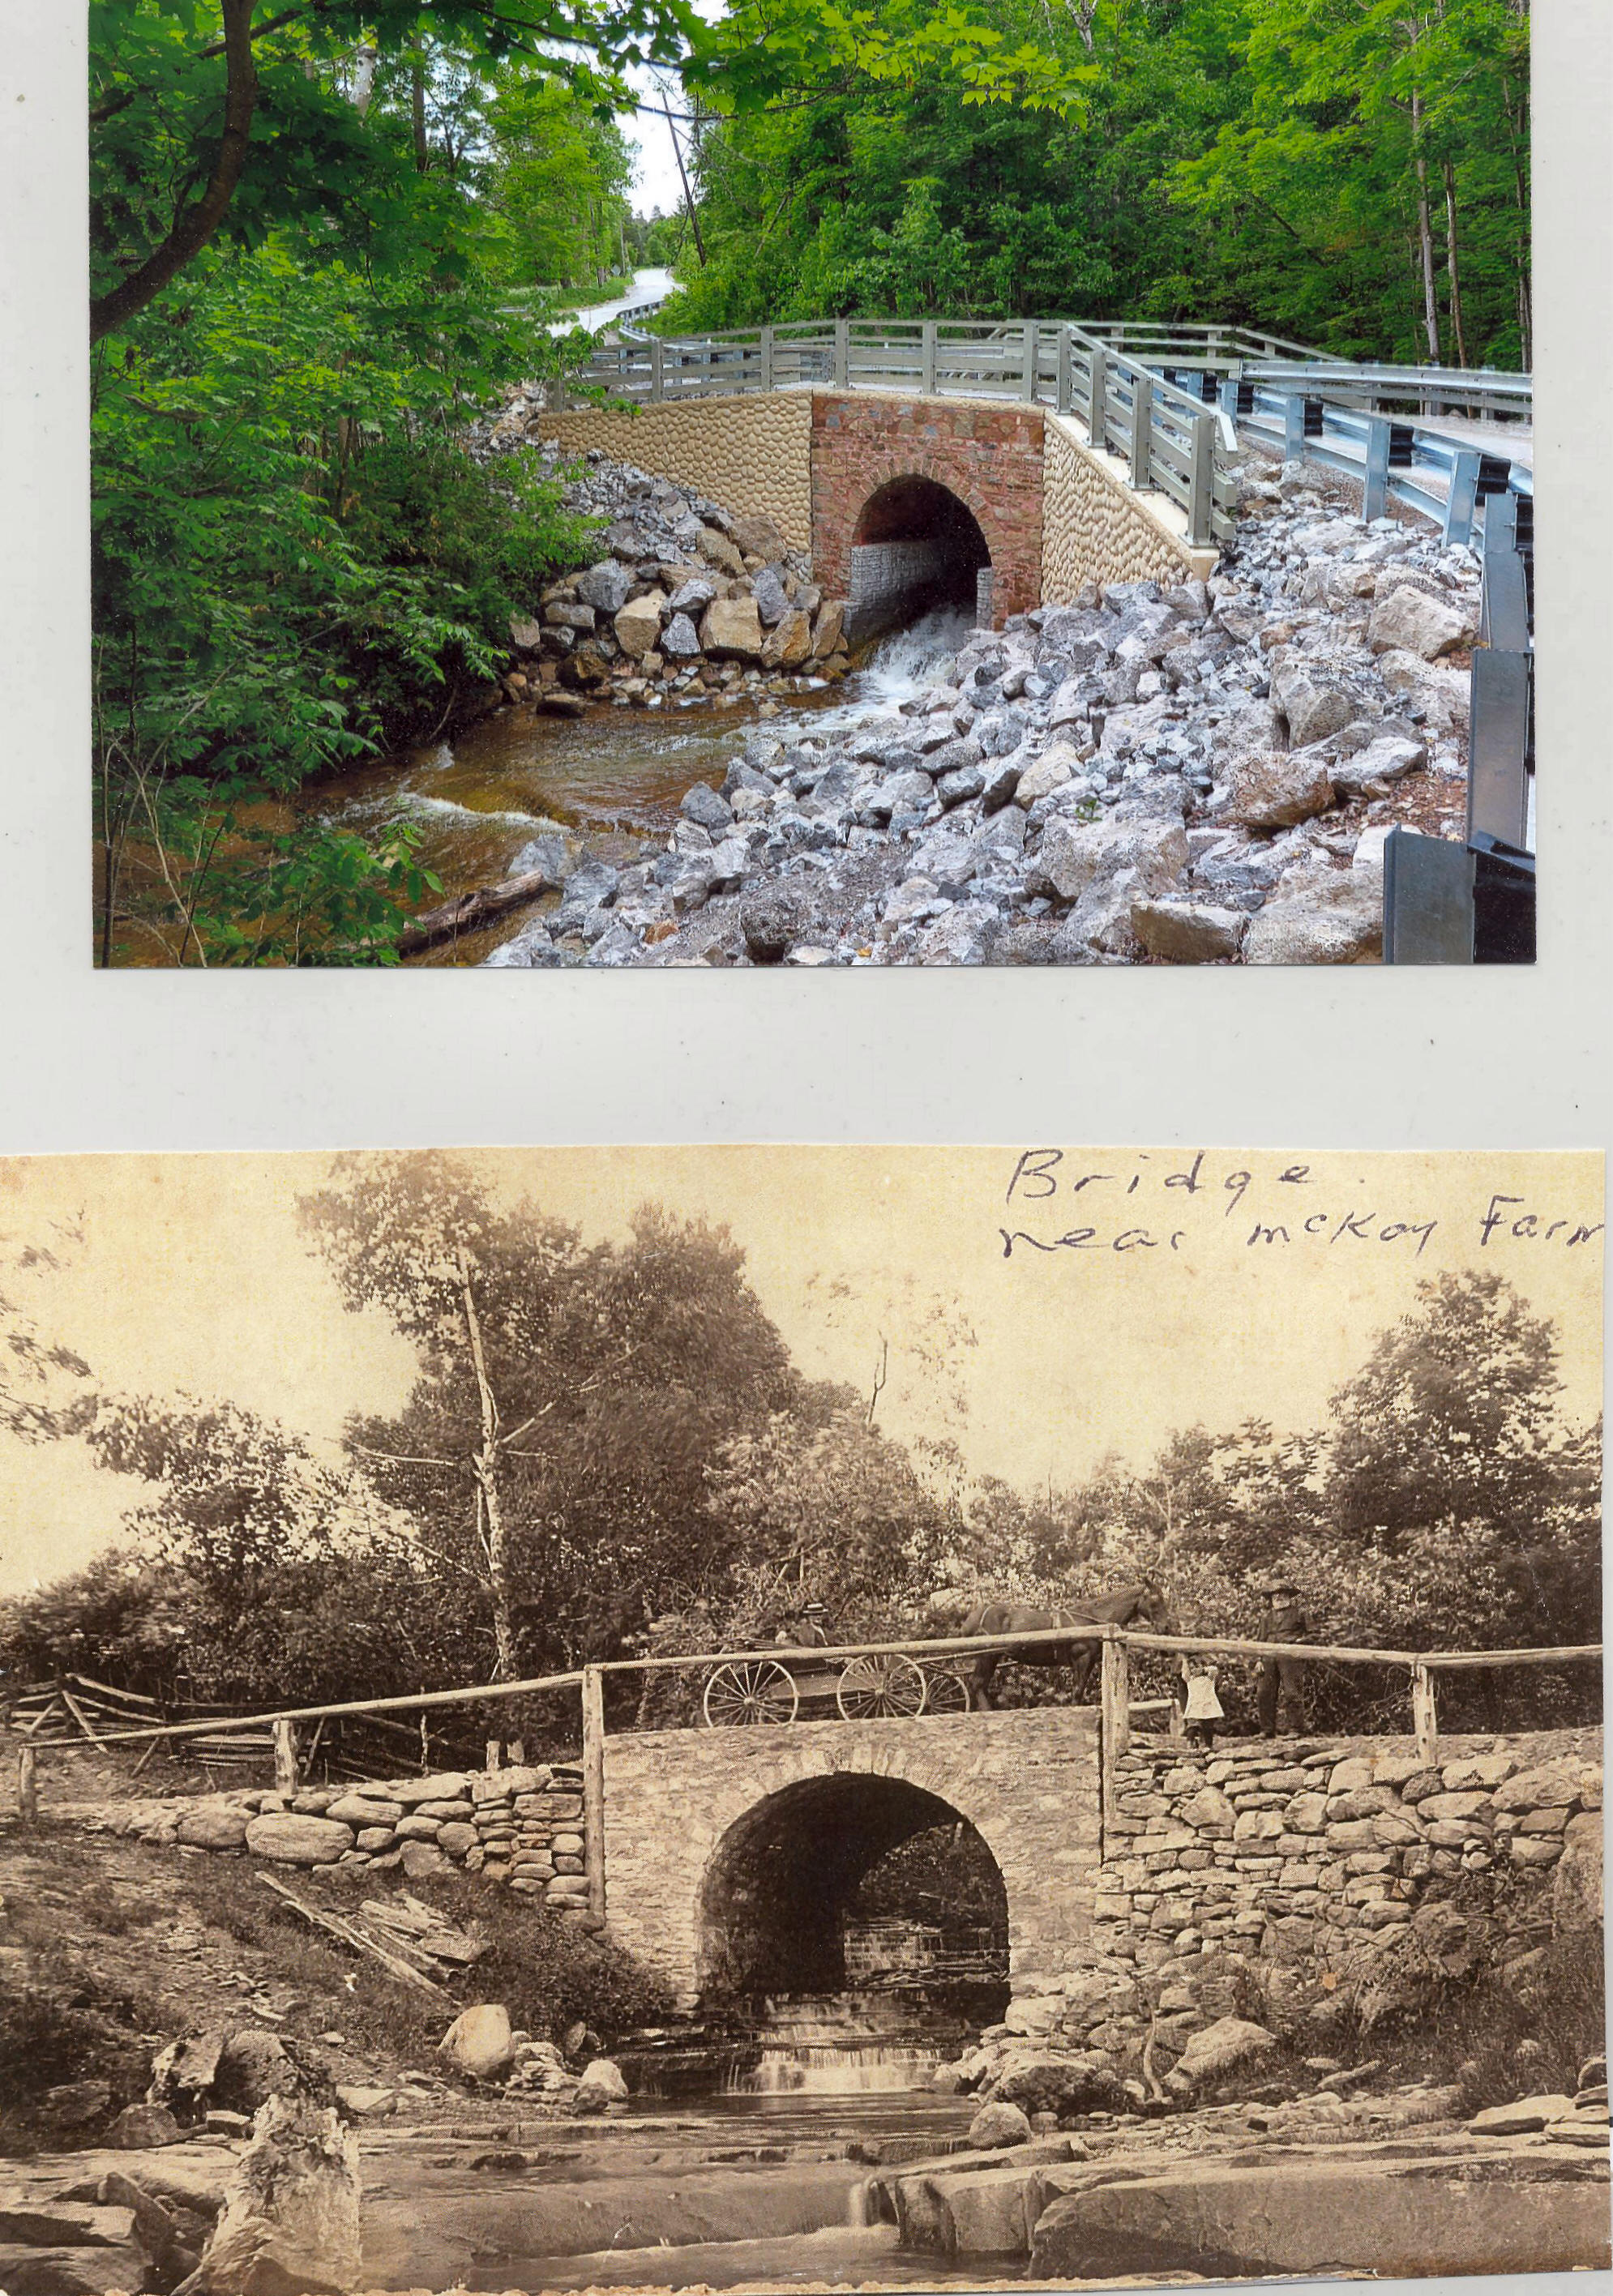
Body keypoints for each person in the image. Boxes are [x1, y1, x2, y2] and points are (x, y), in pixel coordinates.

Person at [1257, 1576, 1309, 1736]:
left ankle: (1296, 1729)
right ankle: (1267, 1730)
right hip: (1268, 1657)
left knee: (1292, 1692)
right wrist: (1259, 1660)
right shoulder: (1266, 1617)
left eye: (1282, 1594)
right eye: (1275, 1595)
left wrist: (1297, 1643)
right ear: (1271, 1598)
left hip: (1290, 1658)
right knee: (1264, 1693)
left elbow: (1314, 1635)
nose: (1279, 1597)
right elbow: (1260, 1640)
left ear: (1289, 1596)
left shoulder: (1300, 1613)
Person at [1176, 1653, 1223, 1749]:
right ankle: (1190, 1744)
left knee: (1208, 1727)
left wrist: (1203, 1670)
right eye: (1192, 1668)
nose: (1195, 1669)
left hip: (1208, 1705)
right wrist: (1185, 1660)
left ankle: (1208, 1746)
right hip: (1195, 1705)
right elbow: (1184, 1673)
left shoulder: (1209, 1678)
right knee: (1193, 1725)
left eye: (1196, 1666)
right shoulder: (1190, 1679)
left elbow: (1214, 1670)